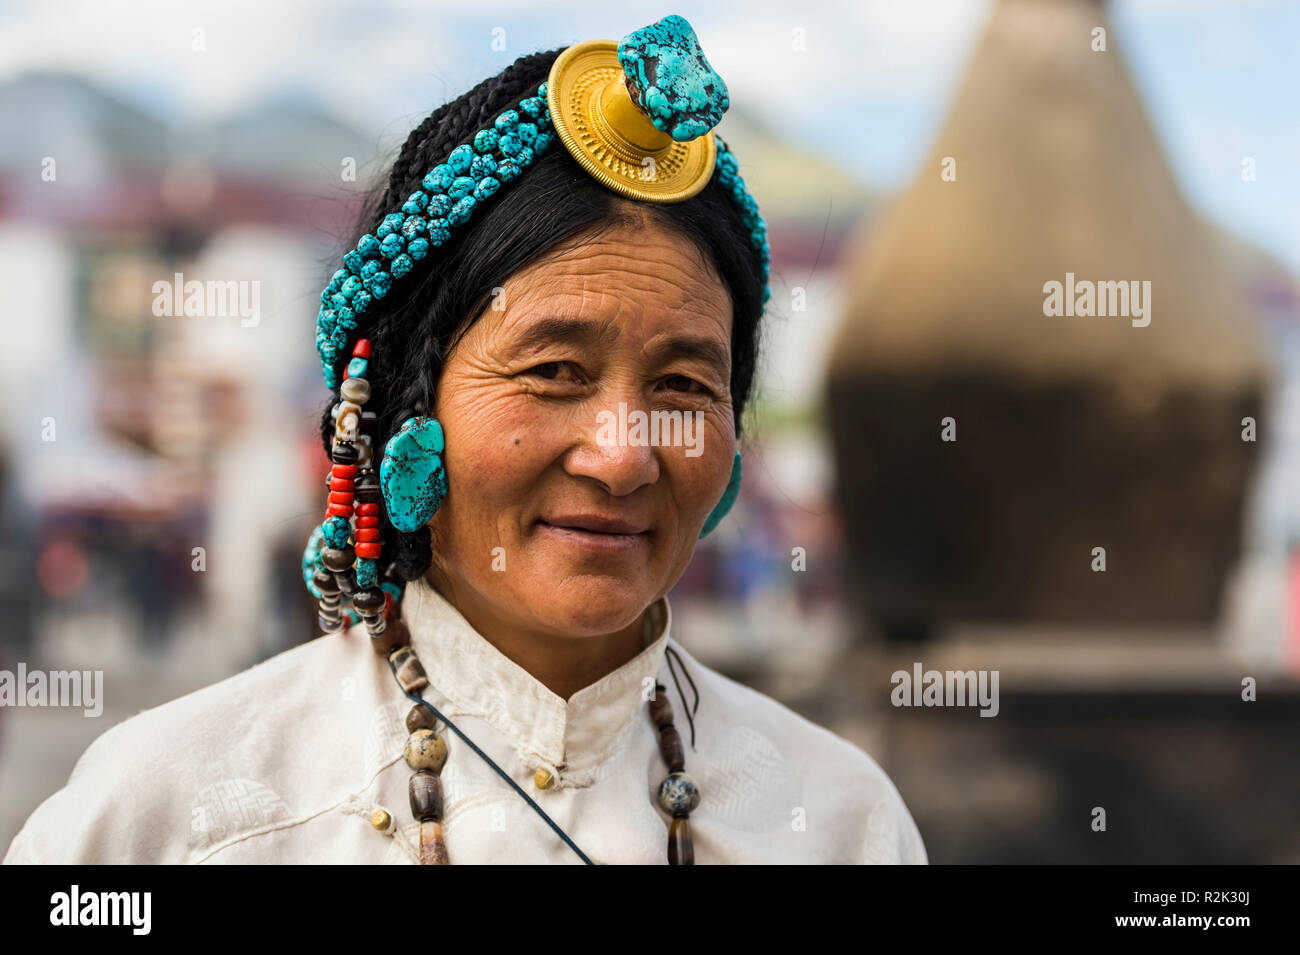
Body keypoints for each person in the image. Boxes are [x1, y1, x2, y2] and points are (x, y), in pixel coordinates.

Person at [3, 15, 926, 865]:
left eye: (683, 385)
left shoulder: (841, 822)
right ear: (406, 401)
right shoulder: (163, 820)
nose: (621, 453)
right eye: (554, 370)